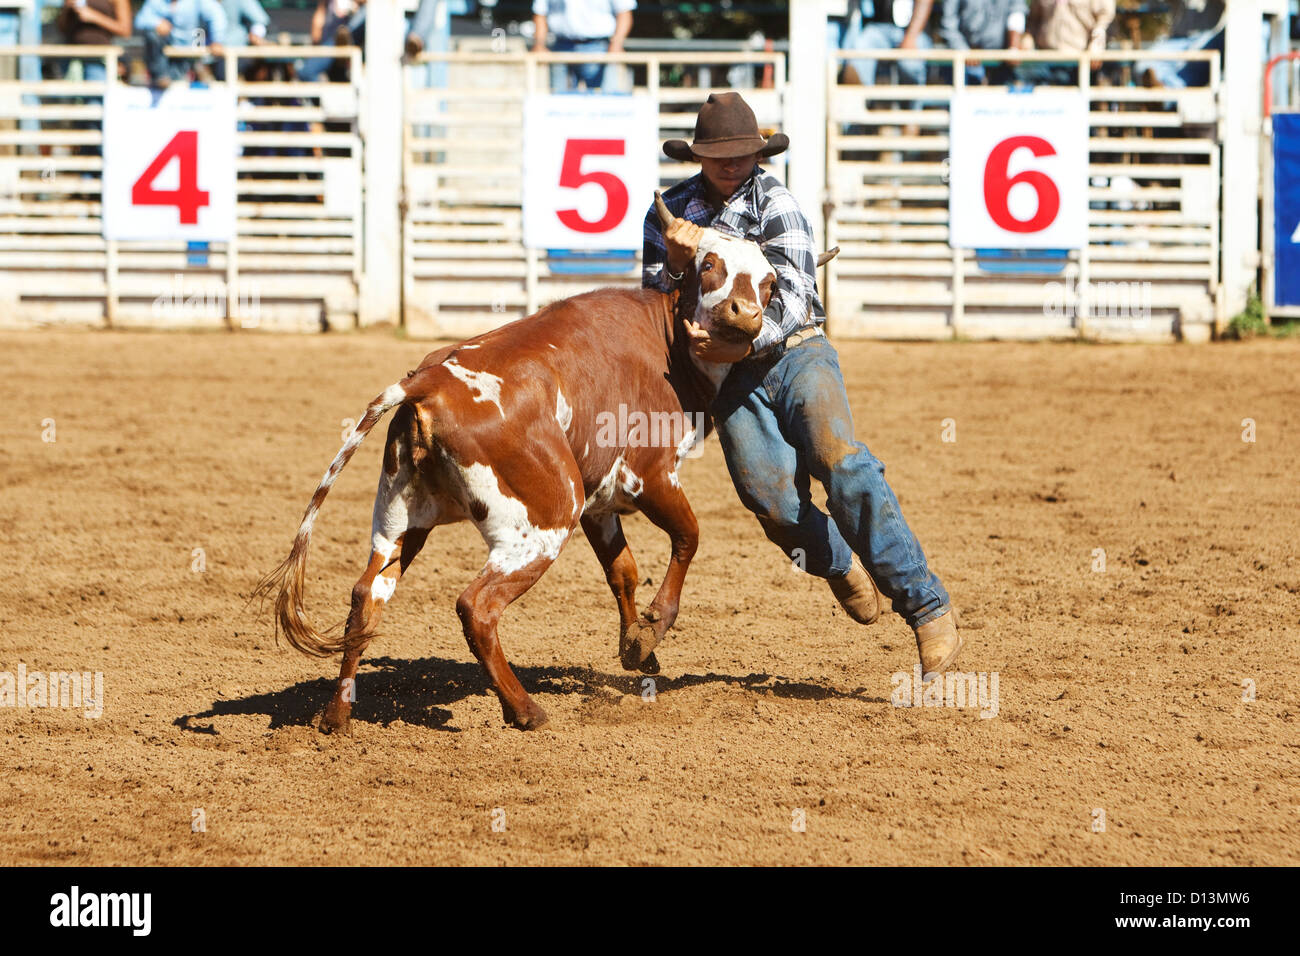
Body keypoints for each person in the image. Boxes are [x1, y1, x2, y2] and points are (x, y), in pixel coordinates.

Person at [641, 92, 962, 679]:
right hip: (726, 379)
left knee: (841, 463)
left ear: (756, 153)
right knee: (772, 502)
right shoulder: (670, 216)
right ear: (698, 156)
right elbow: (655, 302)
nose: (732, 165)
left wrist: (736, 344)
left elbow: (795, 300)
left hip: (797, 353)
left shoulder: (776, 202)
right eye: (720, 156)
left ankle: (925, 607)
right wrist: (678, 266)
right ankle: (839, 563)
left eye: (742, 154)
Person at [531, 0, 635, 92]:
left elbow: (624, 12)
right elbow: (540, 13)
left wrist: (617, 44)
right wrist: (539, 44)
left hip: (599, 47)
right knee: (559, 101)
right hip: (561, 46)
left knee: (603, 102)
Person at [833, 0, 935, 87]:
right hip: (880, 26)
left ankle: (912, 109)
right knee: (859, 50)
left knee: (910, 63)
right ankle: (859, 105)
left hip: (915, 30)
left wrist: (911, 36)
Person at [1019, 0, 1114, 85]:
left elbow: (1105, 19)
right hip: (1045, 60)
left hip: (1078, 62)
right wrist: (1028, 38)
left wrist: (1097, 43)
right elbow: (1033, 19)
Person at [135, 0, 227, 87]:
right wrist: (156, 23)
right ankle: (160, 77)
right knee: (151, 34)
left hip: (189, 55)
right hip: (163, 59)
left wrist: (217, 40)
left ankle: (196, 72)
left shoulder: (198, 2)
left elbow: (216, 14)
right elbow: (140, 20)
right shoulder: (157, 2)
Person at [1135, 0, 1224, 89]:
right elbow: (1149, 3)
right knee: (1144, 64)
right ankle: (1161, 91)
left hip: (1207, 38)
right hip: (1176, 40)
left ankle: (1164, 94)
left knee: (1187, 73)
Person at [938, 0, 1027, 85]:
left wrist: (1013, 48)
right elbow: (948, 24)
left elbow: (1017, 10)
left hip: (1002, 59)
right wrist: (964, 51)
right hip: (964, 59)